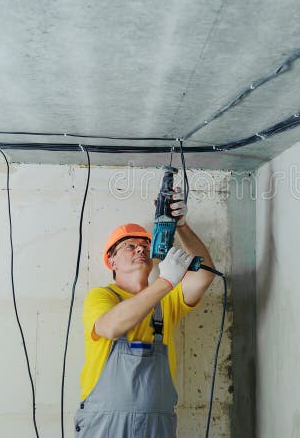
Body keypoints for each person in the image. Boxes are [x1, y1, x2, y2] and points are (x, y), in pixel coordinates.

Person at [75, 187, 216, 437]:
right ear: (112, 261)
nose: (140, 249)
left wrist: (182, 226)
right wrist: (166, 282)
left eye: (144, 245)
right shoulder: (102, 296)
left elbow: (204, 276)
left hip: (156, 425)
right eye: (129, 246)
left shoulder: (167, 300)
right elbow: (110, 327)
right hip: (105, 424)